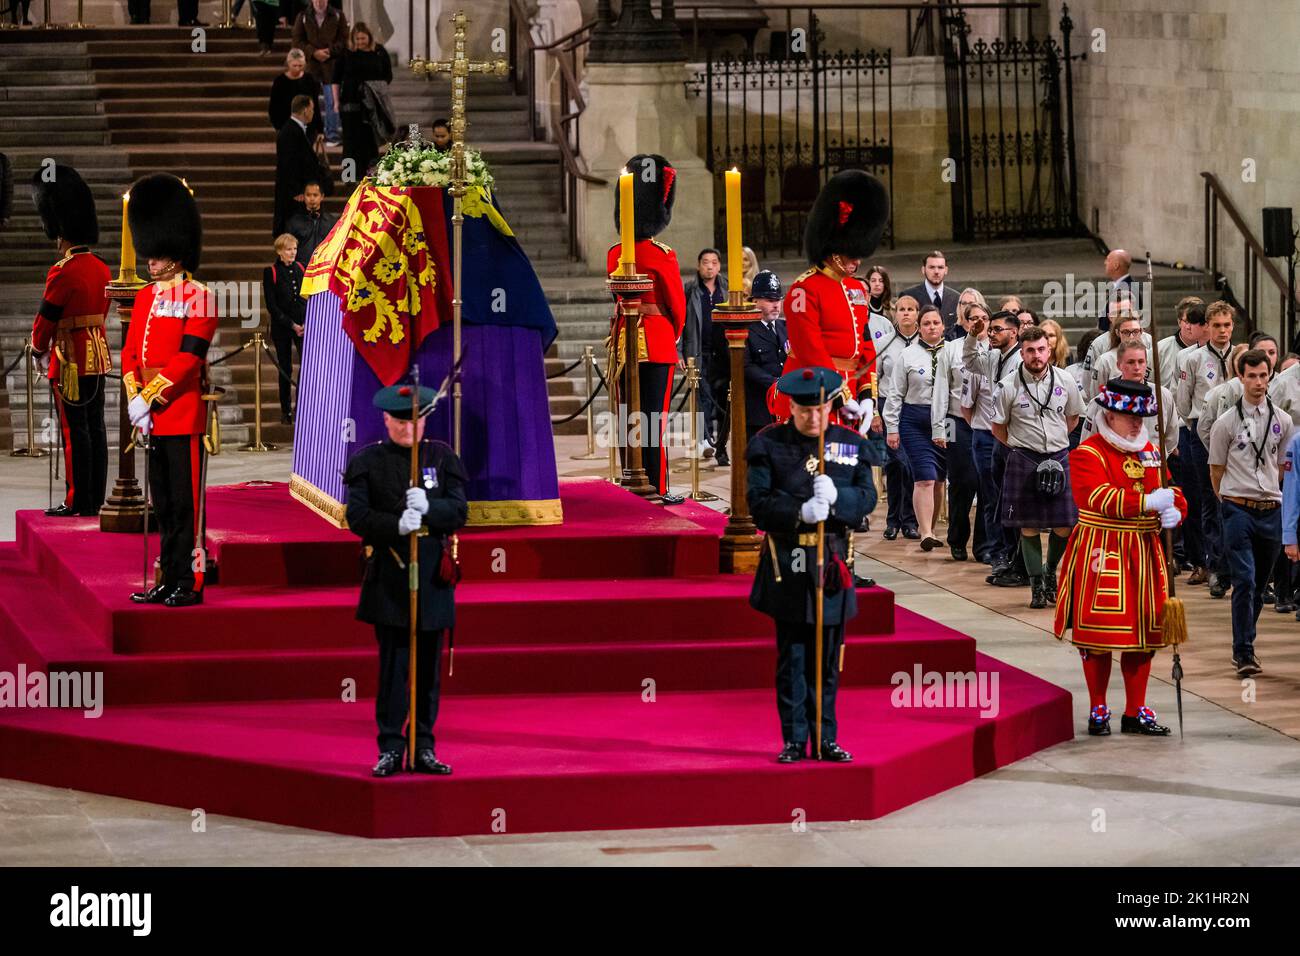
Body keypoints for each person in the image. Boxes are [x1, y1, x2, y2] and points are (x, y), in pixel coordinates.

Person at [747, 366, 876, 764]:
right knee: (793, 659)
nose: (813, 418)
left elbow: (867, 498)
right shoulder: (768, 444)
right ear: (791, 407)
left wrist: (839, 498)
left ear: (831, 406)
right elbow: (758, 504)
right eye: (805, 412)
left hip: (832, 561)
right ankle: (793, 739)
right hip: (788, 560)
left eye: (820, 411)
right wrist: (799, 511)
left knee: (828, 660)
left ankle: (826, 738)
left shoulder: (849, 444)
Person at [345, 383, 468, 777]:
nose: (407, 429)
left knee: (428, 670)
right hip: (391, 574)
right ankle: (391, 746)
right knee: (394, 667)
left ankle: (424, 744)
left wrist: (430, 508)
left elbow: (460, 512)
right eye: (399, 422)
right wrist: (396, 524)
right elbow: (358, 518)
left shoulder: (441, 456)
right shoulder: (369, 461)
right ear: (386, 419)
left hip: (431, 575)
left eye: (414, 421)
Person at [1054, 377, 1185, 737]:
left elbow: (1170, 489)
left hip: (1145, 551)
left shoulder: (1151, 452)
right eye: (1129, 417)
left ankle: (1135, 709)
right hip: (1103, 550)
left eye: (1141, 418)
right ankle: (1098, 707)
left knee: (1145, 633)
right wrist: (1145, 503)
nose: (1137, 424)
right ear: (1109, 415)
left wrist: (1175, 510)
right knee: (1098, 635)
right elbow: (1094, 497)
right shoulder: (1088, 453)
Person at [122, 173, 217, 609]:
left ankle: (191, 578)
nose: (149, 262)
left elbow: (189, 357)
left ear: (173, 254)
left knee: (185, 504)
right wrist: (133, 397)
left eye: (156, 256)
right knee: (162, 504)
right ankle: (167, 575)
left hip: (181, 411)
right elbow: (129, 352)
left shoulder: (200, 296)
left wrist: (151, 395)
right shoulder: (144, 297)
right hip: (152, 416)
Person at [771, 169, 886, 436]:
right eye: (851, 254)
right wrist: (842, 395)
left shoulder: (856, 287)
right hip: (814, 393)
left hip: (851, 393)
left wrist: (868, 394)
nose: (857, 262)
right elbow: (810, 350)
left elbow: (865, 344)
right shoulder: (804, 288)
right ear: (834, 251)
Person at [29, 164, 112, 518]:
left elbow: (45, 320)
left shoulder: (62, 271)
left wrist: (36, 347)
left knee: (73, 430)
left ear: (60, 232)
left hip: (70, 361)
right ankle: (94, 497)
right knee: (95, 427)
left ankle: (78, 499)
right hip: (98, 354)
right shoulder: (102, 267)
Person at [606, 153, 686, 500]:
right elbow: (677, 306)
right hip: (657, 338)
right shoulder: (663, 254)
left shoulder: (614, 253)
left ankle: (632, 479)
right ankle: (657, 484)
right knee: (655, 419)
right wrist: (674, 333)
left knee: (630, 417)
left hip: (624, 338)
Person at [1209, 348, 1293, 678]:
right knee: (1243, 579)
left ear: (1270, 376)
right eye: (1252, 376)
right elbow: (1216, 468)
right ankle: (1242, 650)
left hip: (1270, 508)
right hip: (1237, 507)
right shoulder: (1226, 422)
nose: (1259, 382)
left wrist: (1269, 492)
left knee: (1259, 585)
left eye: (1264, 375)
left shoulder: (1282, 421)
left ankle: (1246, 638)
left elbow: (1282, 465)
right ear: (1240, 377)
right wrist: (1228, 500)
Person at [992, 325, 1086, 608]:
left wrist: (1055, 444)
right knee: (1028, 525)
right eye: (1030, 350)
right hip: (1024, 457)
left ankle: (1050, 573)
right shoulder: (1008, 385)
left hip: (1058, 456)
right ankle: (1035, 586)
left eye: (1041, 349)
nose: (1036, 355)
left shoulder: (1066, 379)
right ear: (1022, 352)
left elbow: (1073, 419)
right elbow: (998, 427)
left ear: (1050, 350)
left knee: (1064, 525)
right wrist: (1021, 448)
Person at [1175, 299, 1235, 593]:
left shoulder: (1241, 356)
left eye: (1227, 325)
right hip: (1201, 433)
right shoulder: (1193, 359)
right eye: (1216, 326)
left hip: (1237, 435)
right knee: (1207, 499)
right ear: (1206, 328)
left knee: (1231, 499)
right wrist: (1196, 429)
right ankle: (1212, 565)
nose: (1222, 331)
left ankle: (1229, 562)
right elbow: (1183, 402)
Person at [963, 308, 1022, 577]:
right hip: (990, 434)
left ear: (1015, 331)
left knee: (1012, 499)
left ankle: (1014, 554)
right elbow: (971, 362)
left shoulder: (1023, 358)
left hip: (1016, 437)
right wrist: (973, 337)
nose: (993, 333)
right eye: (992, 329)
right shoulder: (993, 356)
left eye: (998, 329)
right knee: (991, 497)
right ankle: (997, 551)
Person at [885, 305, 947, 550]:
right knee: (925, 478)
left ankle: (930, 527)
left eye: (936, 322)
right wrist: (892, 426)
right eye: (927, 323)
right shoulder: (908, 355)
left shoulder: (952, 352)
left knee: (940, 478)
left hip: (944, 419)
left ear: (943, 326)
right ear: (919, 328)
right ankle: (925, 533)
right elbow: (895, 393)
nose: (932, 327)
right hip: (915, 419)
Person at [933, 297, 988, 561]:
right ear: (964, 322)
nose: (979, 323)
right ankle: (957, 538)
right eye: (973, 318)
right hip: (956, 421)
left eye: (984, 319)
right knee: (962, 482)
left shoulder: (995, 350)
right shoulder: (951, 349)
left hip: (987, 424)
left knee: (986, 485)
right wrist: (938, 427)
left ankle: (984, 545)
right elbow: (942, 389)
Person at [877, 295, 919, 540]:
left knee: (912, 465)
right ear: (895, 313)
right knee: (895, 465)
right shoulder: (886, 342)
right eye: (901, 309)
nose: (905, 313)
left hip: (913, 407)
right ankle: (893, 520)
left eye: (910, 309)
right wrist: (875, 411)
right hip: (888, 405)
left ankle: (910, 520)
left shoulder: (923, 342)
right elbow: (875, 376)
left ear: (917, 314)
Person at [681, 248, 727, 461]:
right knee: (703, 400)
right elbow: (680, 323)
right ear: (699, 265)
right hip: (699, 352)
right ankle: (706, 442)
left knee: (723, 402)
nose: (710, 266)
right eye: (706, 262)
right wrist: (679, 352)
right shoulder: (690, 290)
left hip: (723, 355)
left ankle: (722, 447)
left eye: (714, 262)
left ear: (719, 265)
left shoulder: (727, 288)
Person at [333, 22, 394, 182]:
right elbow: (335, 79)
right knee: (350, 141)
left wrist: (376, 91)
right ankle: (349, 176)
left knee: (370, 141)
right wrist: (335, 101)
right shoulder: (346, 53)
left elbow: (388, 76)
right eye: (357, 38)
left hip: (372, 104)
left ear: (369, 36)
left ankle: (370, 174)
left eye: (363, 38)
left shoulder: (379, 51)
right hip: (350, 103)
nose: (360, 41)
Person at [292, 0, 348, 147]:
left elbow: (344, 39)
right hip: (311, 66)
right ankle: (310, 133)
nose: (319, 2)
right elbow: (297, 41)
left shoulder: (337, 15)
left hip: (331, 65)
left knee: (332, 101)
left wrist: (330, 51)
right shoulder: (303, 16)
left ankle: (332, 134)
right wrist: (313, 52)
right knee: (308, 102)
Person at [274, 95, 332, 236]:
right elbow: (287, 165)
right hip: (296, 197)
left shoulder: (296, 130)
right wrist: (297, 191)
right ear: (305, 110)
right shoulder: (290, 132)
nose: (313, 113)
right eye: (312, 109)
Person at [263, 234, 306, 424]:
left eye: (294, 249)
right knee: (285, 367)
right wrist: (292, 324)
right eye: (289, 249)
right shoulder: (270, 272)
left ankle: (303, 405)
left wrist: (304, 322)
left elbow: (305, 297)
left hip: (302, 325)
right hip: (283, 327)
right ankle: (285, 409)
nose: (292, 253)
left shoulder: (301, 268)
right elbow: (272, 306)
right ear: (280, 251)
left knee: (306, 366)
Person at [743, 270, 786, 444]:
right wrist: (775, 383)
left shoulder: (785, 328)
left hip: (784, 408)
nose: (776, 305)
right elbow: (746, 366)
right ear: (755, 301)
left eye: (778, 300)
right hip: (759, 408)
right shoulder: (746, 329)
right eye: (770, 300)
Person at [1086, 311, 1149, 401]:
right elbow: (1096, 395)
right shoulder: (1105, 360)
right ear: (1117, 332)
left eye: (1135, 332)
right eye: (1126, 332)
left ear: (1141, 331)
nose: (1131, 337)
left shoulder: (1150, 356)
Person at [898, 249, 959, 336]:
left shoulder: (956, 298)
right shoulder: (909, 296)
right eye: (932, 267)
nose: (936, 272)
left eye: (940, 267)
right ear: (923, 270)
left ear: (946, 270)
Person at [268, 49, 324, 141]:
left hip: (308, 127)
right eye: (294, 65)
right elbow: (273, 107)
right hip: (286, 126)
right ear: (288, 64)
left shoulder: (309, 80)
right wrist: (278, 127)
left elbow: (315, 105)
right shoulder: (280, 82)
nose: (297, 68)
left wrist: (320, 130)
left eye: (300, 65)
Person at [1156, 297, 1206, 388]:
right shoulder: (1160, 349)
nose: (1190, 327)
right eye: (1187, 321)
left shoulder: (1212, 351)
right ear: (1179, 322)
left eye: (1195, 322)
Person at [284, 180, 337, 266]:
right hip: (301, 269)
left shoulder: (332, 222)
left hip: (324, 268)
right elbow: (286, 248)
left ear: (322, 196)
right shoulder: (293, 222)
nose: (312, 198)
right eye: (308, 195)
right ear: (303, 196)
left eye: (315, 195)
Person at [1098, 249, 1134, 331]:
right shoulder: (1117, 286)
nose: (1105, 262)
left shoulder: (1129, 289)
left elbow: (1125, 321)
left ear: (1116, 265)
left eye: (1108, 260)